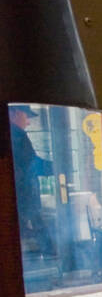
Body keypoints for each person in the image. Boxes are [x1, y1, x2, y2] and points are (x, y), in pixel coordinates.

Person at [9, 104, 55, 259]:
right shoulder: (17, 135)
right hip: (23, 197)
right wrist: (59, 167)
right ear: (14, 113)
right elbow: (32, 164)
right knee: (37, 230)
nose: (28, 122)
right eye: (26, 115)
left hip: (21, 198)